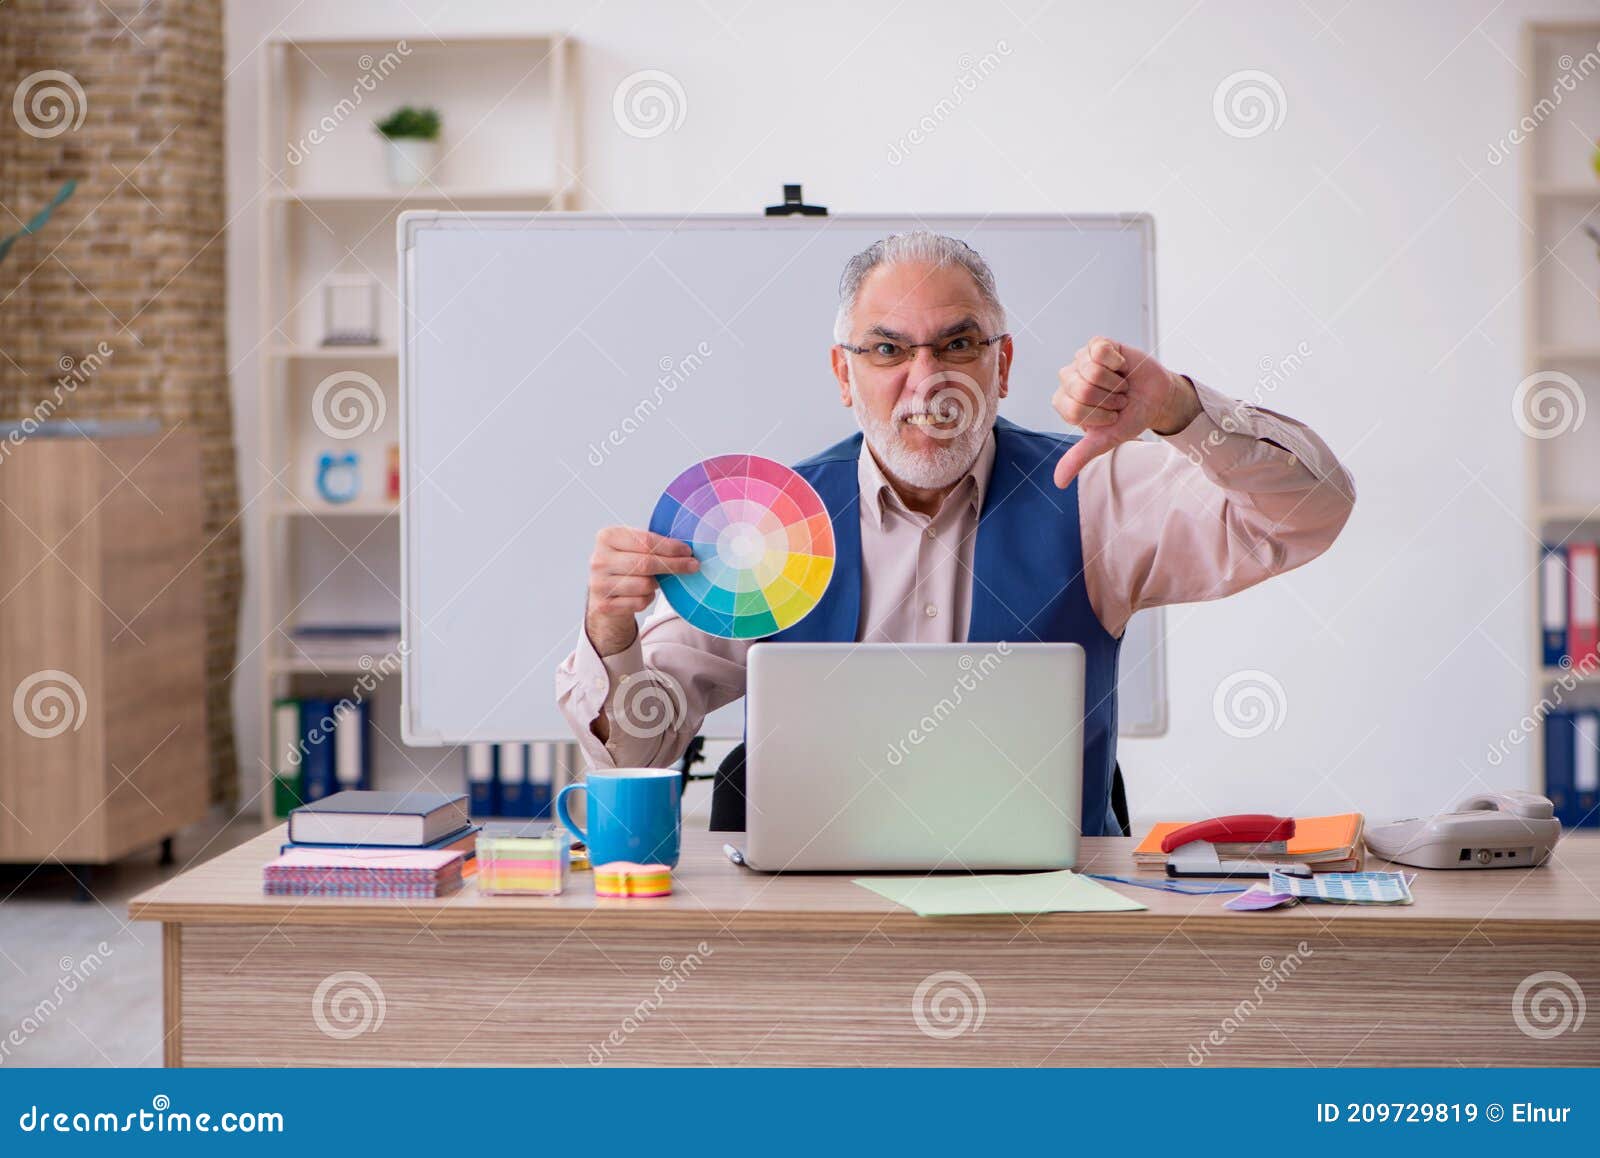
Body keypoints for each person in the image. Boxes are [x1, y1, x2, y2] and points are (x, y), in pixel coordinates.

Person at [556, 231, 1356, 835]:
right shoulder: (767, 525)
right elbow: (637, 755)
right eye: (887, 350)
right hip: (816, 932)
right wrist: (611, 634)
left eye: (958, 345)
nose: (926, 378)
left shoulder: (1094, 492)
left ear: (1001, 367)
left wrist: (1180, 408)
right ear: (845, 376)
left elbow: (1311, 511)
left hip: (1054, 932)